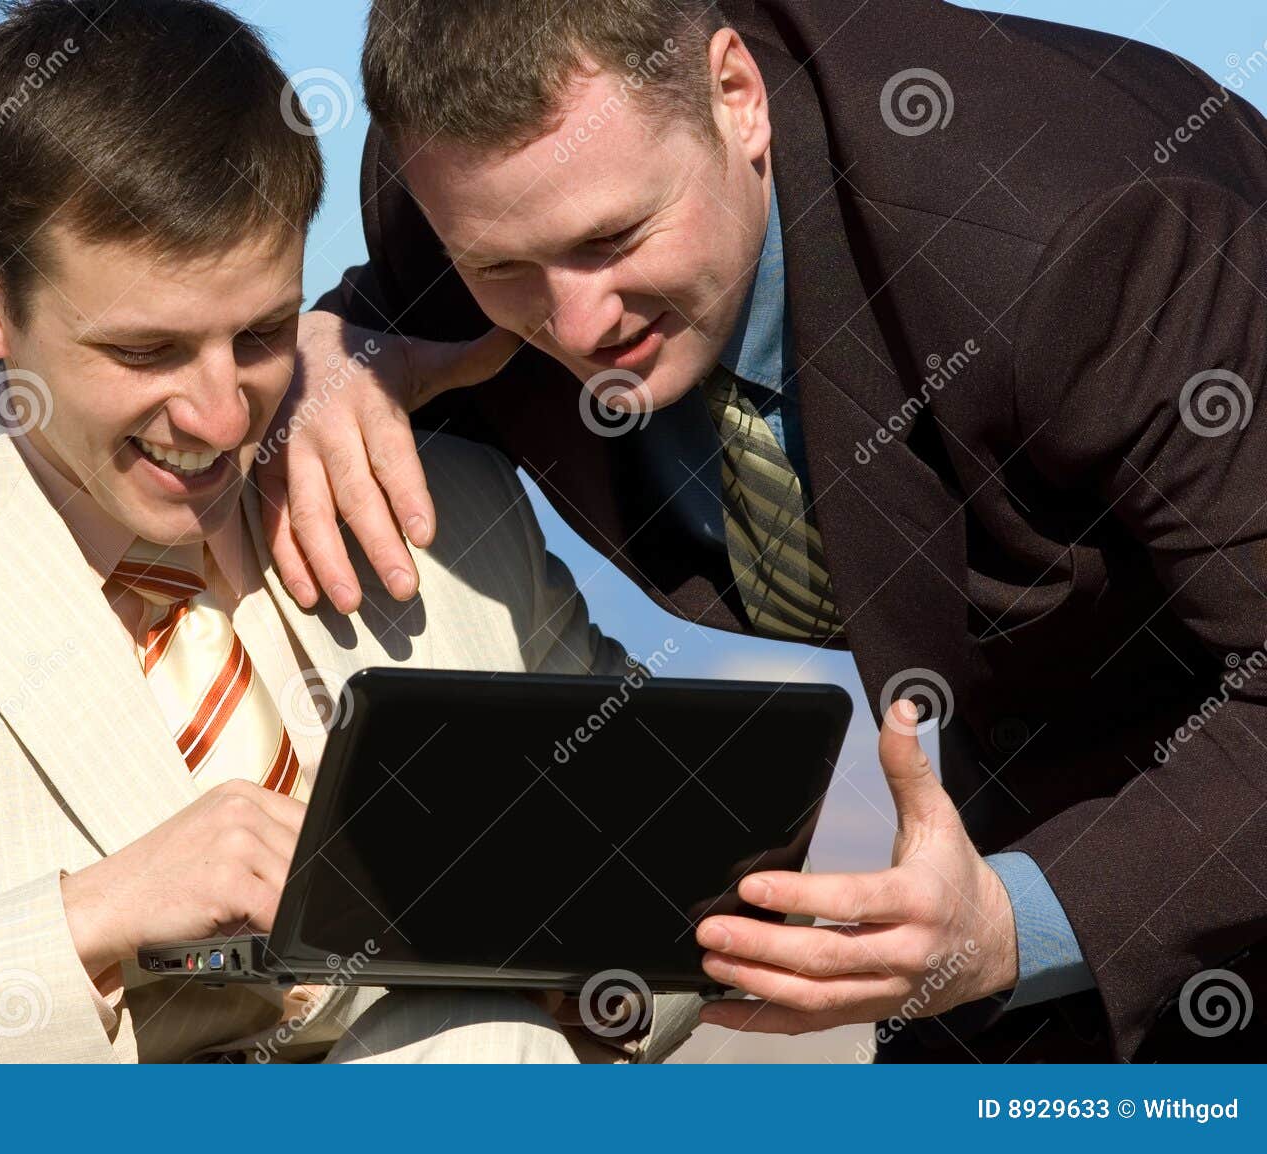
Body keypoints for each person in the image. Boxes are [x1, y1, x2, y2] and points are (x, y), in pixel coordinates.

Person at [0, 0, 700, 1064]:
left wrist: (512, 987)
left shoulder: (456, 516)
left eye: (260, 333)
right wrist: (84, 918)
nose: (217, 416)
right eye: (145, 349)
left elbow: (662, 912)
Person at [262, 0, 1267, 1061]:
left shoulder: (1086, 240)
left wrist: (1013, 923)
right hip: (1003, 803)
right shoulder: (461, 180)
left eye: (612, 239)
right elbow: (385, 321)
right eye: (503, 270)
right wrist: (333, 349)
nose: (572, 327)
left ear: (735, 96)